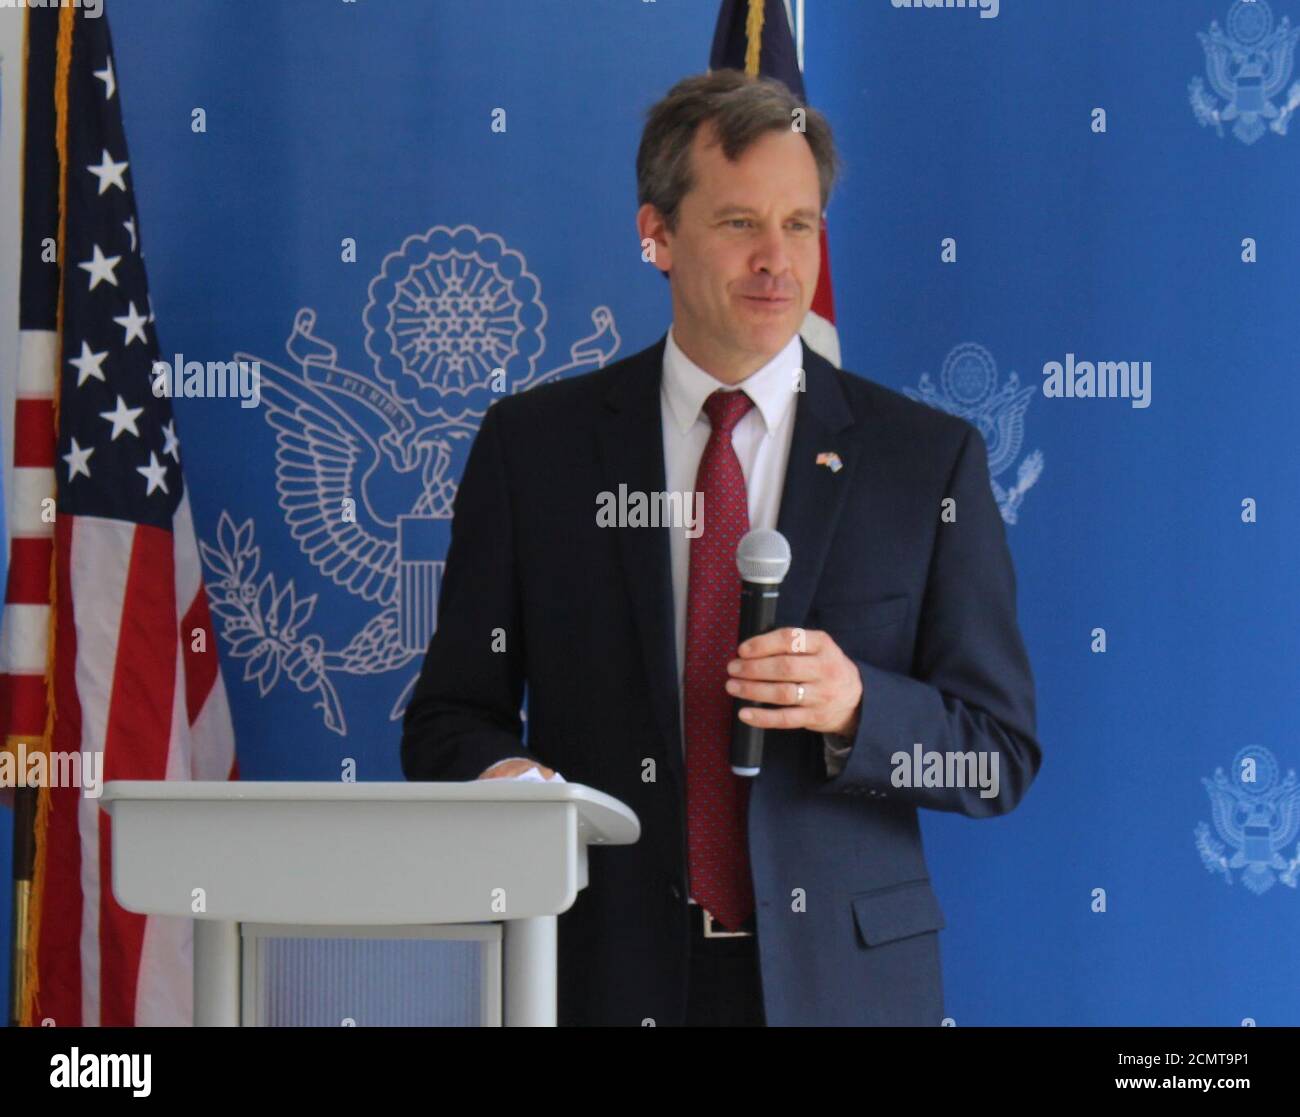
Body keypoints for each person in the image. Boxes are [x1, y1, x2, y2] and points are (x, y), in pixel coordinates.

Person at [401, 69, 1041, 1027]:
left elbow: (994, 756)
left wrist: (857, 708)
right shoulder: (534, 451)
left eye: (800, 225)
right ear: (655, 233)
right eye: (740, 223)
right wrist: (509, 782)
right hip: (599, 975)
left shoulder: (927, 462)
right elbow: (447, 720)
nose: (777, 262)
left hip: (845, 988)